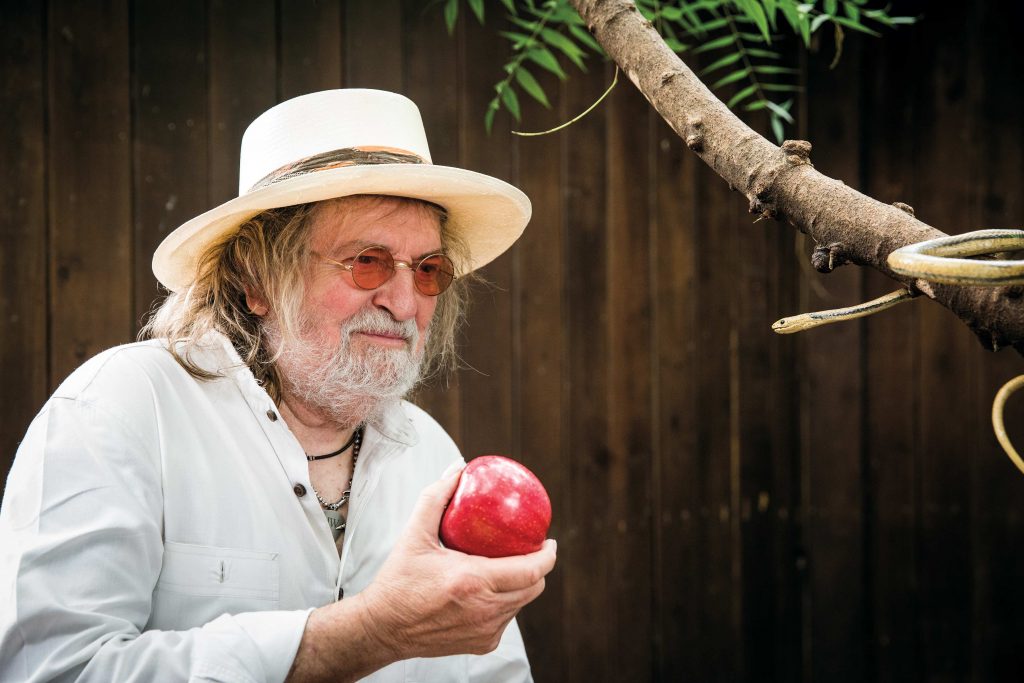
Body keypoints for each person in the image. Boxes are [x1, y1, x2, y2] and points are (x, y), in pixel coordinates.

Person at [0, 89, 557, 682]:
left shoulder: (431, 455)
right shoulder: (123, 409)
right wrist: (369, 633)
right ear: (257, 278)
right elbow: (56, 670)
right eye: (367, 261)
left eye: (427, 270)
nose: (402, 302)